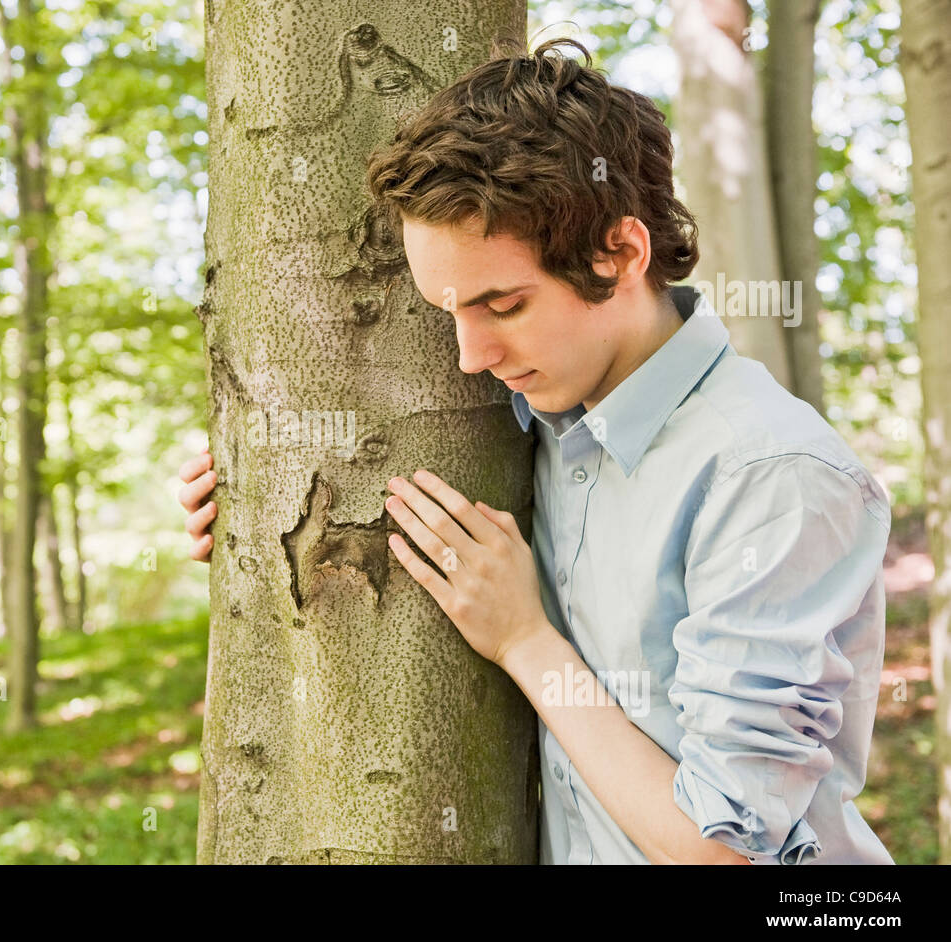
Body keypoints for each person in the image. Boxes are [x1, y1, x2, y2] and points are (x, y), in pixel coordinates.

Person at [177, 37, 894, 865]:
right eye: (450, 312)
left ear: (621, 253)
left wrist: (526, 641)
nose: (469, 356)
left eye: (504, 304)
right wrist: (254, 496)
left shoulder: (774, 479)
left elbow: (727, 854)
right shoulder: (534, 416)